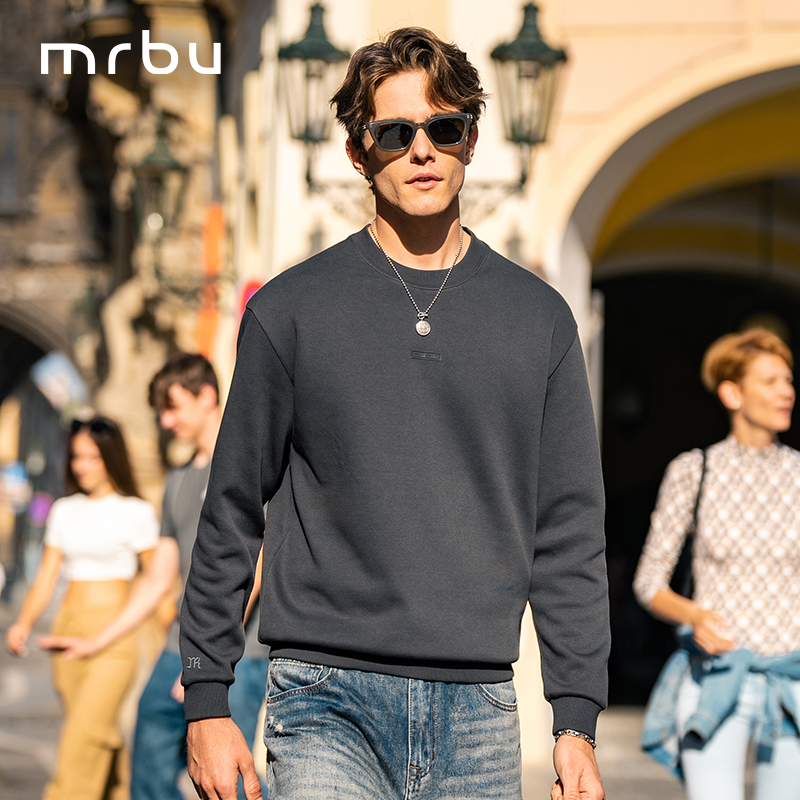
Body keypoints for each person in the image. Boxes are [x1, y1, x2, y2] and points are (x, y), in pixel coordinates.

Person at [181, 28, 610, 800]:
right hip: (323, 695)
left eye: (444, 128)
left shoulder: (540, 320)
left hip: (479, 709)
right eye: (395, 132)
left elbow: (570, 528)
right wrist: (208, 697)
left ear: (470, 141)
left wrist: (575, 719)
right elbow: (233, 508)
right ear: (358, 151)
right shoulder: (289, 311)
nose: (422, 151)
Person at [40, 353, 270, 800]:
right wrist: (96, 641)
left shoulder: (251, 467)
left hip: (238, 654)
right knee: (146, 771)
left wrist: (212, 659)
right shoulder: (178, 480)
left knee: (230, 784)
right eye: (161, 412)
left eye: (173, 407)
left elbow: (255, 567)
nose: (166, 421)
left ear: (207, 396)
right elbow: (157, 578)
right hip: (177, 648)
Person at [634, 327, 800, 800]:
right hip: (714, 679)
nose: (786, 391)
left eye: (788, 380)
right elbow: (648, 581)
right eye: (770, 381)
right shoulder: (693, 470)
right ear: (732, 393)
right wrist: (695, 615)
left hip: (791, 684)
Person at [6, 416, 160, 800]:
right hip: (67, 628)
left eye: (93, 457)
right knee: (97, 734)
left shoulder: (136, 512)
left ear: (111, 457)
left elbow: (157, 579)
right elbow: (45, 577)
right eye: (77, 457)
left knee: (84, 738)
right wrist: (23, 622)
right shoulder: (64, 510)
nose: (83, 466)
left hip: (114, 635)